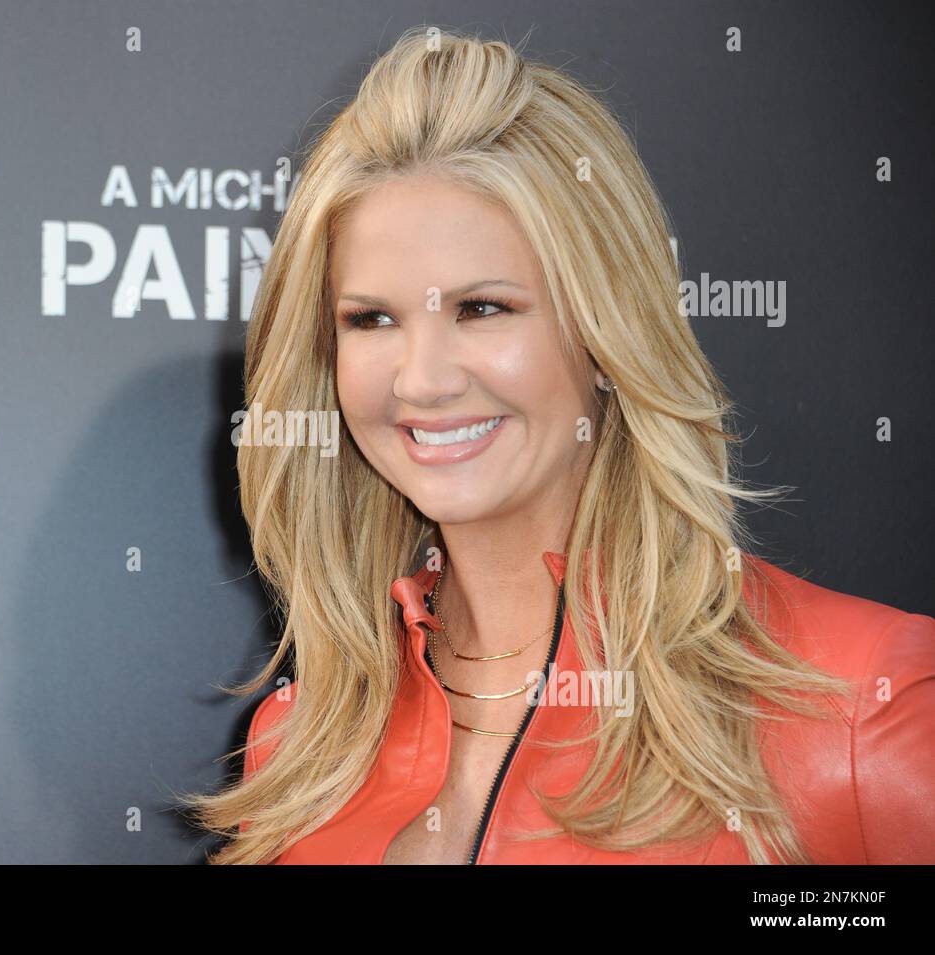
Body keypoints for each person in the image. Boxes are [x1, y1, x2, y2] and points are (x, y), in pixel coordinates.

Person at [178, 27, 935, 864]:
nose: (421, 380)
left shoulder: (857, 702)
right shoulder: (300, 743)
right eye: (372, 318)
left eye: (483, 308)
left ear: (606, 330)